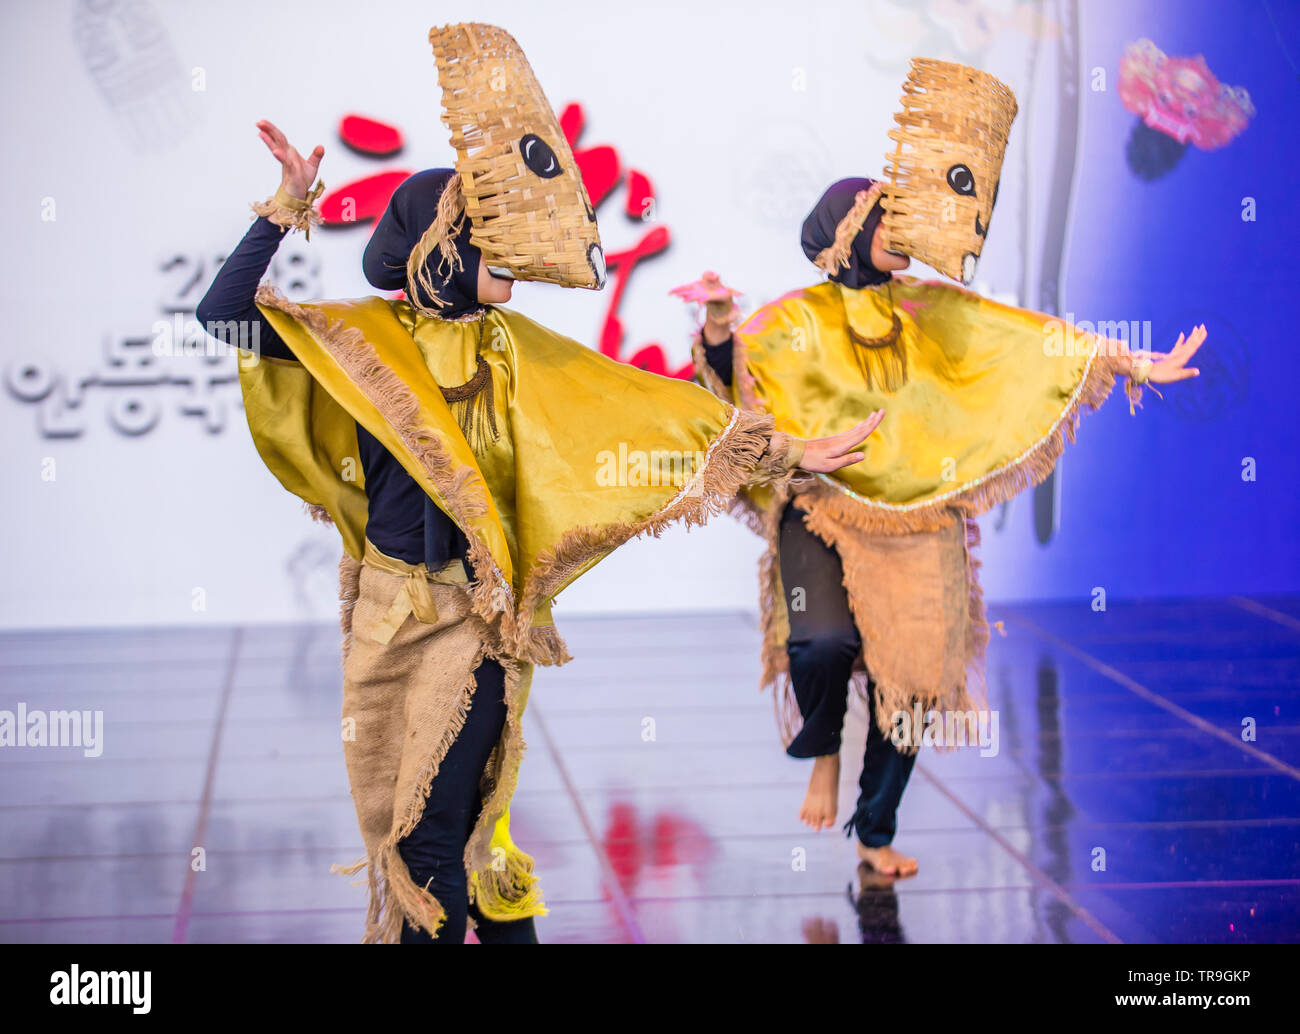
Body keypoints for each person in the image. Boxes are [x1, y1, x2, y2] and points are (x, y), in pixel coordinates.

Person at [196, 22, 881, 944]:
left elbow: (654, 413)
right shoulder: (362, 344)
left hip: (481, 624)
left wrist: (792, 453)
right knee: (431, 839)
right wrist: (284, 204)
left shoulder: (512, 349)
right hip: (388, 622)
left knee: (440, 838)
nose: (510, 253)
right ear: (440, 248)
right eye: (487, 238)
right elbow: (224, 315)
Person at [675, 57, 1204, 878]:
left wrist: (1131, 362)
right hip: (820, 508)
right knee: (819, 645)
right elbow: (731, 395)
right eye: (887, 218)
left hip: (921, 521)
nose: (905, 230)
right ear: (845, 229)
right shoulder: (790, 318)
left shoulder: (934, 307)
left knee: (916, 688)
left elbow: (1031, 343)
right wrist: (714, 332)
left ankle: (875, 828)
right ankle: (822, 754)